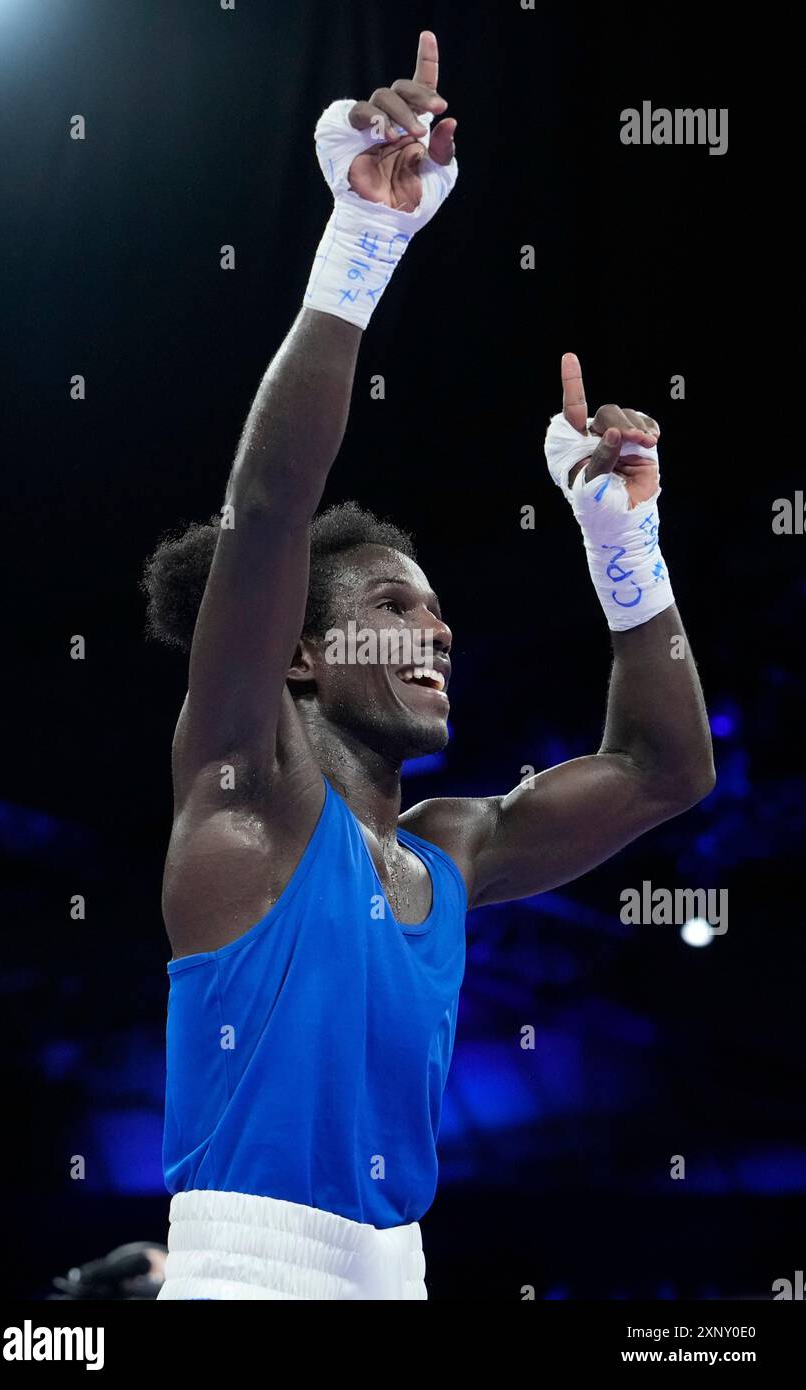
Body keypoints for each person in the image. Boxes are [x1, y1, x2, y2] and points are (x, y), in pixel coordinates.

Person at [143, 31, 715, 1300]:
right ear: (299, 653)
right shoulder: (242, 790)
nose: (439, 632)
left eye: (439, 609)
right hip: (244, 1273)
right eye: (395, 608)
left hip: (401, 1274)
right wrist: (361, 244)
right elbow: (274, 502)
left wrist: (623, 541)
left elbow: (666, 771)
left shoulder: (451, 853)